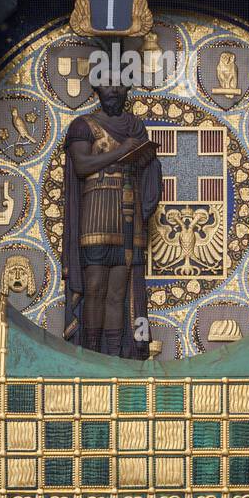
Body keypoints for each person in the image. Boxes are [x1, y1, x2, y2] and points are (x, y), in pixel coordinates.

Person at [61, 84, 161, 358]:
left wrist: (144, 158)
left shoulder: (135, 126)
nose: (113, 93)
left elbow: (145, 164)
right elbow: (82, 166)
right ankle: (93, 353)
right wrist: (122, 152)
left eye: (119, 88)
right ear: (97, 91)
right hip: (96, 212)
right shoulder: (83, 126)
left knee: (119, 291)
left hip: (128, 209)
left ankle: (115, 356)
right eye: (108, 88)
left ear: (126, 92)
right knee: (95, 287)